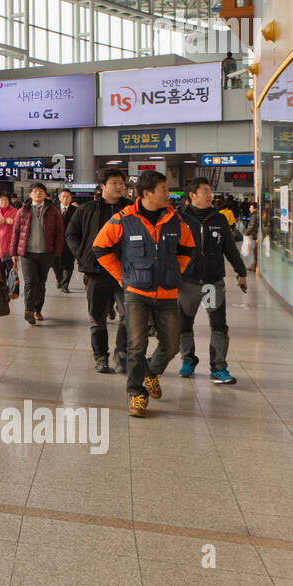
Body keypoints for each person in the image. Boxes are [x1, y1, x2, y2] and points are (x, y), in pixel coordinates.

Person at [92, 169, 197, 418]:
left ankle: (151, 372)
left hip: (168, 293)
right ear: (148, 193)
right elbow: (99, 247)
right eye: (164, 189)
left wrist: (175, 271)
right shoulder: (124, 218)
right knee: (136, 345)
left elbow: (188, 248)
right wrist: (122, 276)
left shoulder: (175, 220)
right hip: (136, 292)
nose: (168, 194)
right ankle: (136, 393)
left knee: (171, 345)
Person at [149, 178, 248, 385]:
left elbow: (229, 248)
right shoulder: (177, 219)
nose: (210, 195)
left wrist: (241, 272)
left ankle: (219, 367)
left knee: (219, 325)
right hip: (187, 282)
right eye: (206, 191)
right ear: (192, 195)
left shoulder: (219, 219)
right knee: (185, 324)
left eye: (210, 191)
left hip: (213, 281)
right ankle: (188, 360)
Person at [66, 168, 130, 374]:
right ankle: (101, 356)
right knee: (97, 318)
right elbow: (71, 234)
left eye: (122, 183)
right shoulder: (86, 210)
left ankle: (122, 354)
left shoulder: (130, 209)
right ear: (102, 186)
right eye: (114, 182)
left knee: (128, 315)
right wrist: (81, 254)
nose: (119, 186)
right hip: (96, 271)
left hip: (124, 272)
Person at [12, 183, 64, 325]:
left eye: (40, 191)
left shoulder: (53, 211)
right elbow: (16, 232)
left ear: (45, 194)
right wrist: (13, 252)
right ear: (30, 195)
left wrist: (57, 252)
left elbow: (60, 233)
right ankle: (28, 310)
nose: (38, 194)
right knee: (30, 282)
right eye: (34, 191)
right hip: (27, 253)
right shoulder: (22, 211)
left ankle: (37, 310)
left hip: (46, 253)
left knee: (41, 283)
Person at [53, 188, 77, 293]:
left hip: (70, 242)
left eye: (68, 196)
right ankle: (60, 280)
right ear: (59, 198)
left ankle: (65, 285)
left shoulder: (76, 211)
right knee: (55, 263)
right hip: (55, 242)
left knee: (68, 264)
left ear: (71, 198)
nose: (65, 198)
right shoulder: (53, 210)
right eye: (63, 196)